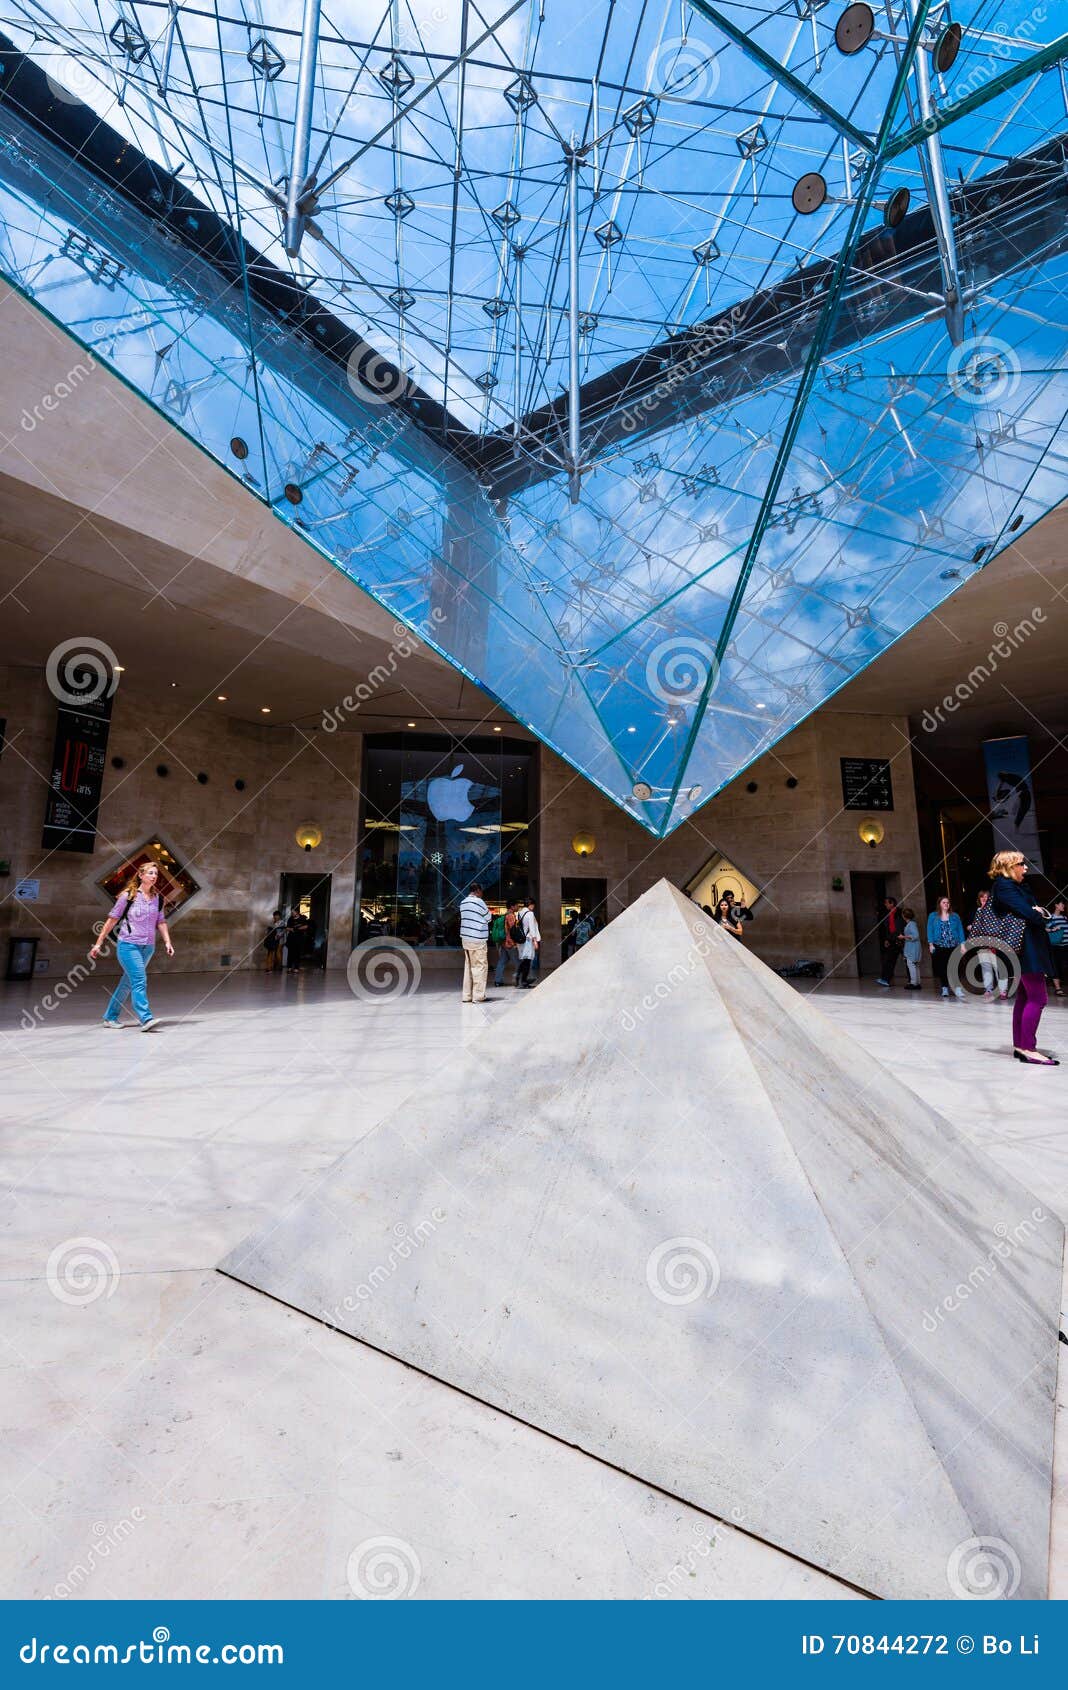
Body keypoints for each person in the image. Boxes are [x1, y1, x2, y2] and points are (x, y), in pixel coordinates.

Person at [990, 850, 1058, 1064]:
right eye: (1021, 863)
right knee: (1038, 998)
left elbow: (1031, 911)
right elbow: (1030, 913)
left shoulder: (1016, 886)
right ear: (1009, 867)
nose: (1026, 867)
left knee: (1025, 997)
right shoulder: (1005, 886)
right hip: (1024, 950)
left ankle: (1021, 1045)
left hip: (1024, 947)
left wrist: (1035, 911)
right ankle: (1029, 1047)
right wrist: (1036, 912)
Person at [91, 859, 174, 1031]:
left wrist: (167, 941)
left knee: (128, 983)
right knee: (139, 980)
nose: (154, 876)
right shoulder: (127, 896)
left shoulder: (158, 899)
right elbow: (111, 921)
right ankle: (146, 1018)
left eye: (156, 873)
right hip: (128, 945)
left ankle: (110, 1017)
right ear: (141, 875)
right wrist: (98, 944)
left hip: (148, 947)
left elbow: (161, 921)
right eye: (150, 873)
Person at [968, 887, 1007, 1002]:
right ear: (979, 899)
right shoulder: (977, 911)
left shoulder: (995, 911)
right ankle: (988, 989)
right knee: (986, 968)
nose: (984, 899)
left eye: (987, 897)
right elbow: (970, 926)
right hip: (982, 945)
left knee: (999, 967)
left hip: (995, 945)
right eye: (982, 897)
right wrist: (971, 927)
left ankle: (1003, 990)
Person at [926, 896, 966, 998]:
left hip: (953, 945)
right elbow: (929, 930)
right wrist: (930, 944)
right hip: (939, 946)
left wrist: (962, 945)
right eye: (944, 902)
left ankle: (957, 989)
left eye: (948, 903)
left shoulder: (955, 916)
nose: (946, 904)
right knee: (942, 968)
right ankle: (945, 988)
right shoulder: (933, 916)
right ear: (939, 904)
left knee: (954, 967)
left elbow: (960, 930)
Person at [458, 882, 491, 1003]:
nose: (482, 894)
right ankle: (478, 996)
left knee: (468, 967)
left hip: (466, 939)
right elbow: (488, 917)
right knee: (480, 967)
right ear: (477, 891)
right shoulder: (479, 902)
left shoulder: (463, 902)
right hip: (478, 939)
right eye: (481, 892)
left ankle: (466, 996)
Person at [876, 895, 904, 987]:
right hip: (892, 940)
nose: (885, 905)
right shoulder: (887, 914)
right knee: (889, 960)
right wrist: (887, 939)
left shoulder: (900, 912)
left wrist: (902, 936)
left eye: (886, 903)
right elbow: (887, 928)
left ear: (892, 903)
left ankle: (913, 981)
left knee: (909, 961)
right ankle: (885, 979)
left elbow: (903, 924)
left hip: (901, 940)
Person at [493, 902, 519, 988]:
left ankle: (498, 981)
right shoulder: (511, 915)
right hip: (510, 943)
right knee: (517, 961)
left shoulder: (504, 915)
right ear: (512, 906)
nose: (518, 907)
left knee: (502, 961)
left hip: (504, 942)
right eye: (516, 905)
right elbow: (513, 930)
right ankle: (521, 980)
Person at [1046, 897, 1068, 998]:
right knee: (1056, 967)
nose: (1063, 906)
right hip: (1056, 947)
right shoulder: (1051, 918)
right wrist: (1053, 929)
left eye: (1064, 904)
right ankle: (1058, 989)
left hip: (1066, 946)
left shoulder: (1065, 918)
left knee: (1063, 967)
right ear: (1056, 905)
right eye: (1061, 904)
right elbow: (1044, 929)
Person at [516, 898, 541, 987]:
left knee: (524, 960)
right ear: (530, 904)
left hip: (520, 940)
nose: (534, 907)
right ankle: (523, 981)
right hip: (528, 939)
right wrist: (535, 941)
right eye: (533, 905)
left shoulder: (519, 913)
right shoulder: (530, 913)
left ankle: (519, 977)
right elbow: (532, 927)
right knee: (527, 961)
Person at [901, 907, 922, 989]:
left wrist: (904, 937)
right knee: (915, 965)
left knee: (911, 964)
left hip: (912, 947)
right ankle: (917, 983)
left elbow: (915, 935)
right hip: (913, 946)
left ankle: (913, 983)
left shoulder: (911, 924)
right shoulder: (911, 923)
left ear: (904, 916)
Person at [263, 909, 286, 973]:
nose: (276, 917)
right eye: (275, 915)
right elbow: (267, 930)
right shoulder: (272, 923)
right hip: (272, 940)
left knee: (278, 953)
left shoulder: (282, 922)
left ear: (279, 916)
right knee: (270, 953)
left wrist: (278, 935)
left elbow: (283, 931)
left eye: (277, 915)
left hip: (279, 940)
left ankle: (279, 965)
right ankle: (269, 967)